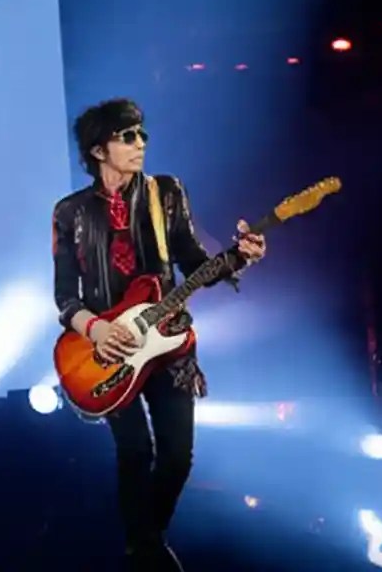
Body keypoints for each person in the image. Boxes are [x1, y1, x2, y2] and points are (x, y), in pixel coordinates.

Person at [50, 99, 266, 571]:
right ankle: (143, 553)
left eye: (142, 134)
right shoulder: (70, 213)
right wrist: (99, 327)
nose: (140, 143)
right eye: (128, 136)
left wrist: (238, 257)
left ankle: (146, 542)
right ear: (98, 149)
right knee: (135, 450)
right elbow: (65, 296)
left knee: (177, 457)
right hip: (107, 349)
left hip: (168, 343)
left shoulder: (165, 193)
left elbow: (191, 258)